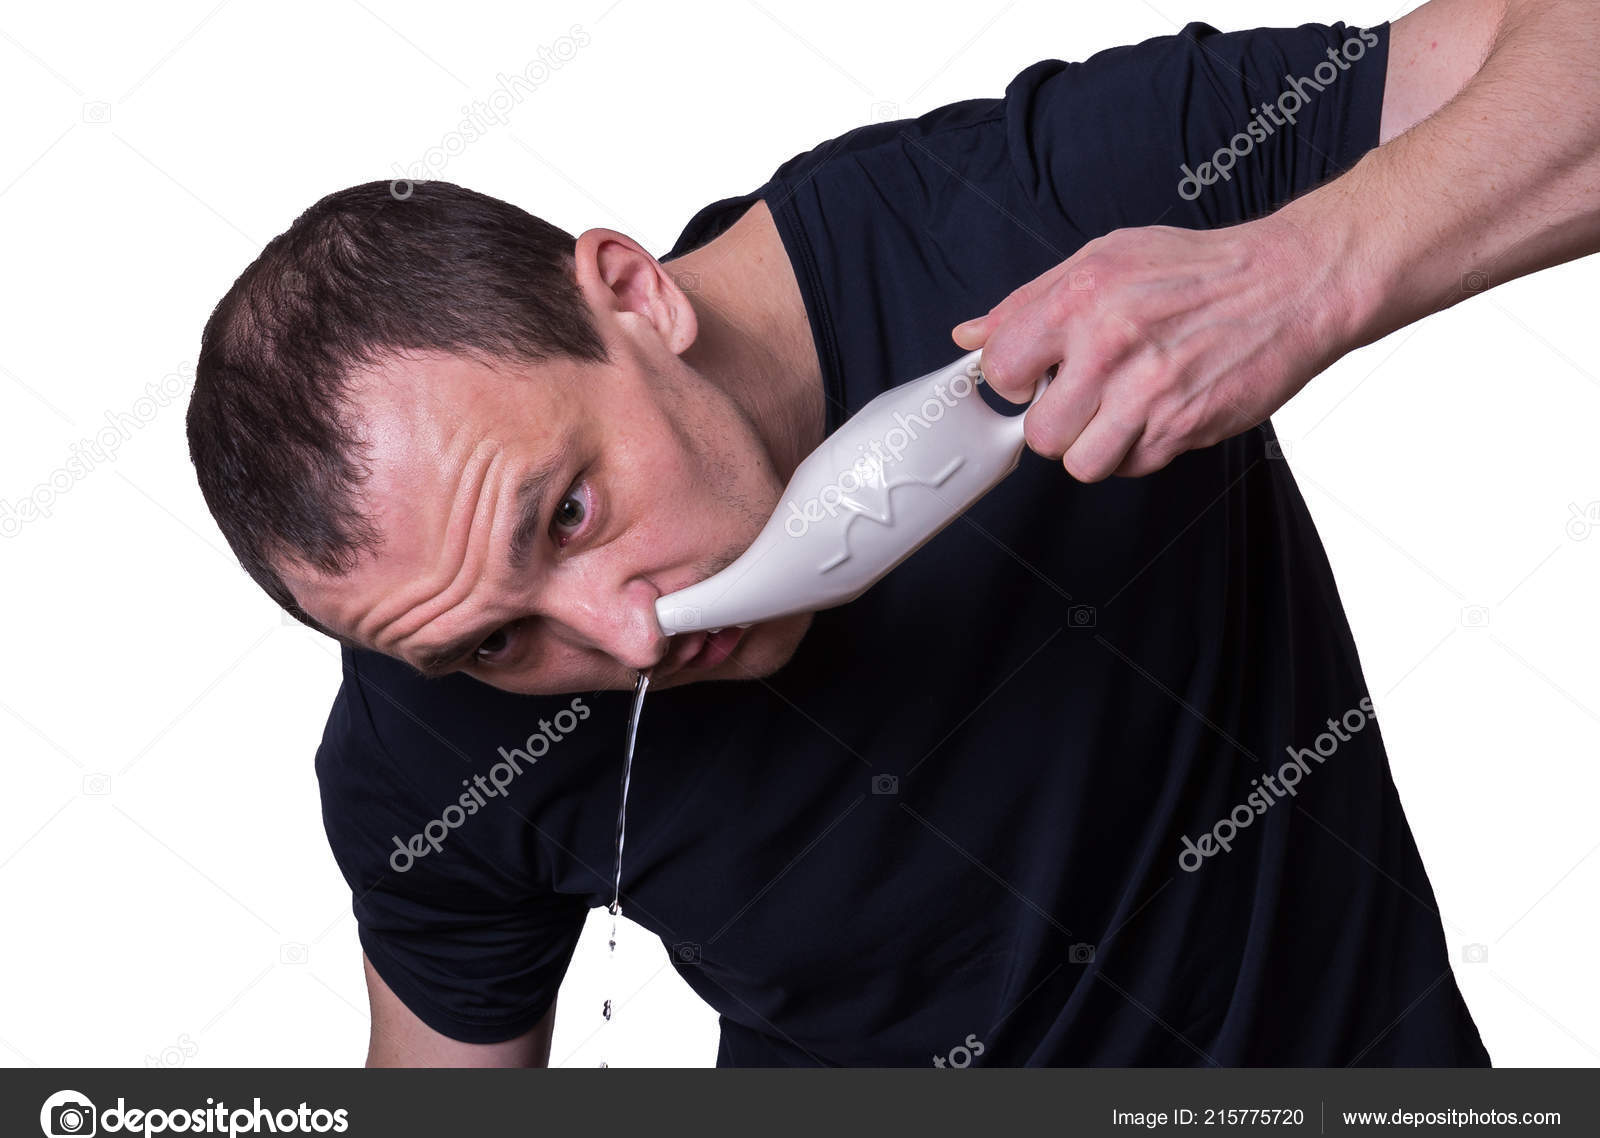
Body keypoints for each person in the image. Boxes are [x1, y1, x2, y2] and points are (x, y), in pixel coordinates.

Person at [184, 0, 1597, 1066]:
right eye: (500, 637)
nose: (625, 640)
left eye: (570, 511)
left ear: (631, 296)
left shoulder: (1024, 212)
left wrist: (1310, 270)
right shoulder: (427, 732)